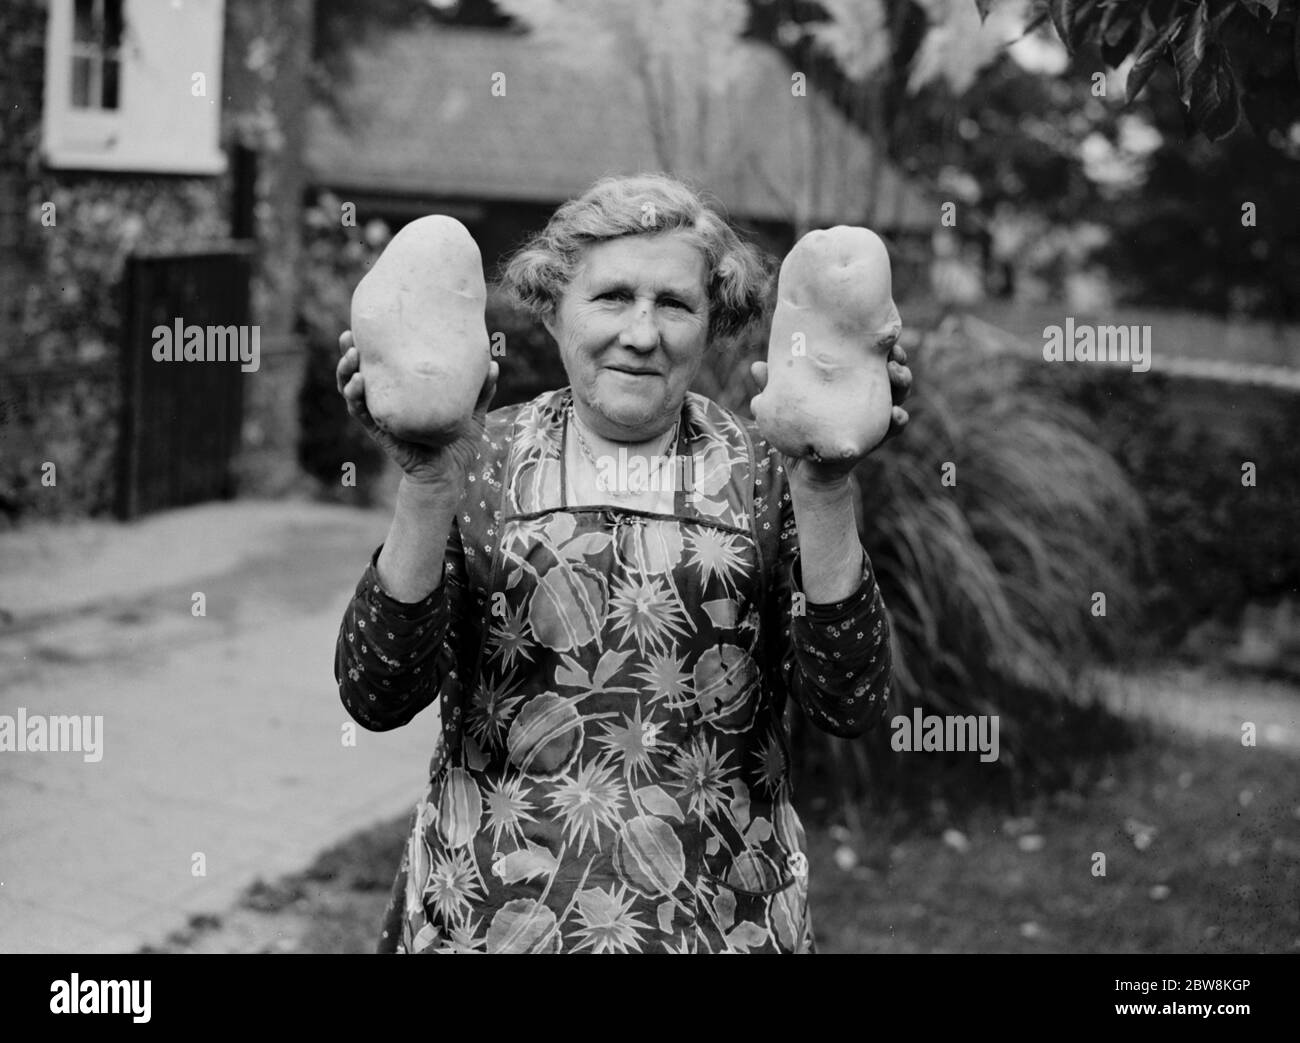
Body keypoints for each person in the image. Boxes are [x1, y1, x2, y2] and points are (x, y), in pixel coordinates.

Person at [334, 173, 912, 953]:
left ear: (712, 321)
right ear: (554, 306)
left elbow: (851, 702)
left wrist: (828, 485)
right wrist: (426, 475)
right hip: (489, 919)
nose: (643, 333)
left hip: (718, 924)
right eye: (611, 297)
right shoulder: (479, 459)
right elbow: (377, 691)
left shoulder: (768, 471)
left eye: (674, 303)